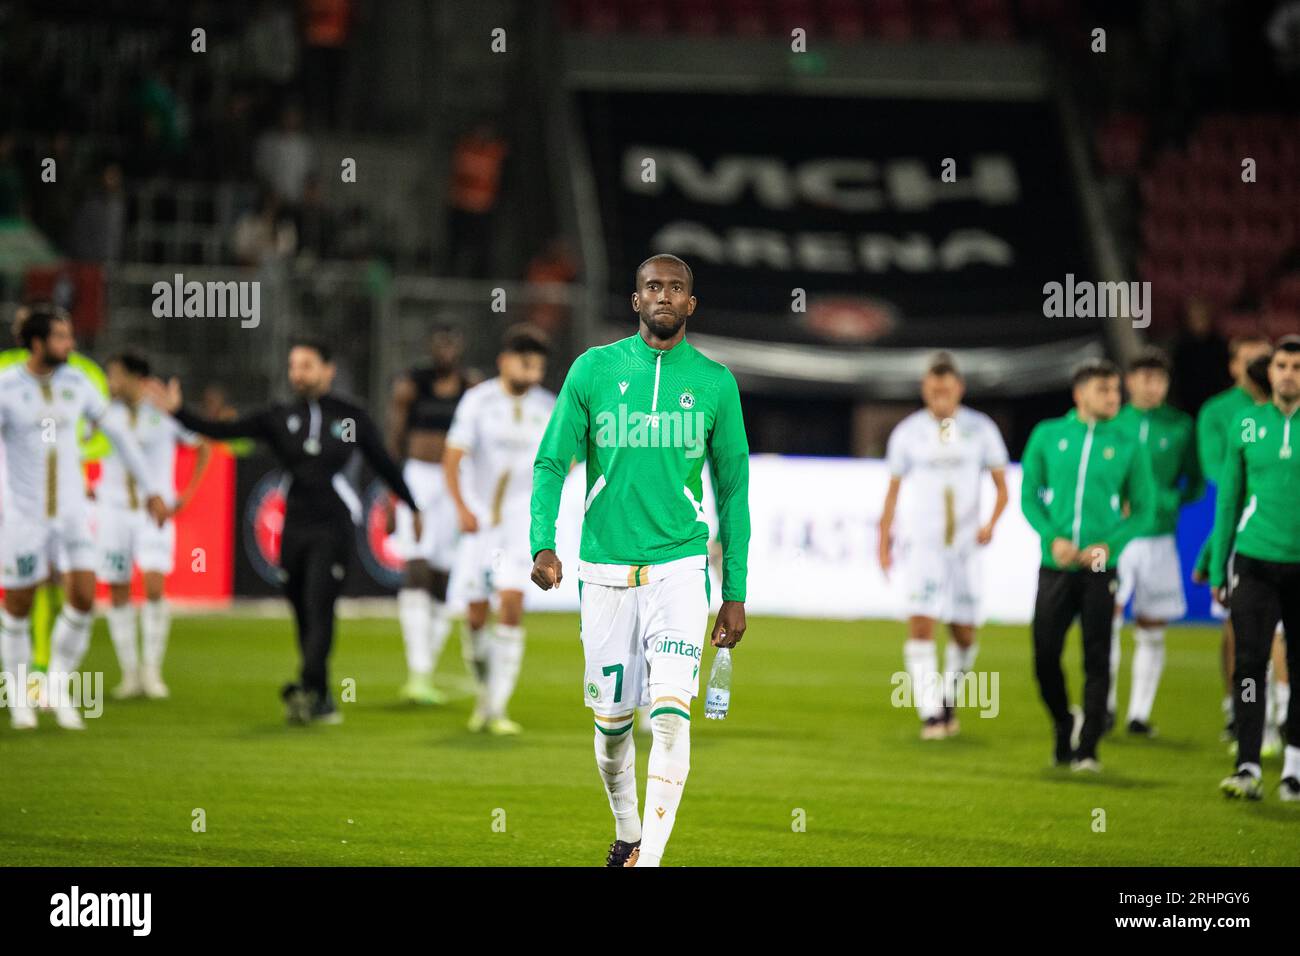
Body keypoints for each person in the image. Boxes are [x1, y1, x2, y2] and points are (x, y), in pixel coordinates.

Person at [530, 254, 751, 867]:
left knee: (673, 718)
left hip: (679, 570)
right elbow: (551, 462)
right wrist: (541, 542)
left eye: (676, 288)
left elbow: (733, 490)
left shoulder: (714, 382)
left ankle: (647, 860)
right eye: (653, 286)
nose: (663, 295)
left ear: (690, 305)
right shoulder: (594, 369)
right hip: (603, 571)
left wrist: (734, 589)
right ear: (635, 301)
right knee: (610, 733)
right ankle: (628, 833)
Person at [146, 339, 420, 724]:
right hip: (293, 529)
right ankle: (321, 697)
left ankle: (306, 684)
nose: (298, 373)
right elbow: (223, 430)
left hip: (334, 526)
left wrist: (413, 504)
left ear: (328, 370)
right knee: (302, 611)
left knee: (319, 604)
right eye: (294, 365)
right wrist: (180, 414)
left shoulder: (349, 417)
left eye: (307, 365)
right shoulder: (278, 416)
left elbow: (384, 463)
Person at [0, 306, 166, 730]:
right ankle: (20, 697)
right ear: (37, 344)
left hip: (72, 512)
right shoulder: (7, 388)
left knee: (85, 598)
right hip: (23, 515)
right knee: (17, 606)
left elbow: (119, 436)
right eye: (61, 338)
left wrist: (151, 490)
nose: (71, 345)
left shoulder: (78, 384)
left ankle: (56, 687)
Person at [1020, 359, 1155, 772]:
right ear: (1080, 395)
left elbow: (1144, 510)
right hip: (1055, 566)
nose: (1114, 397)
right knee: (1044, 656)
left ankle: (1089, 748)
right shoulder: (1048, 435)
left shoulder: (1129, 444)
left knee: (1098, 657)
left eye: (1116, 391)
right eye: (1104, 390)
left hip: (1100, 569)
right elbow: (1029, 496)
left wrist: (1108, 547)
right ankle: (1065, 722)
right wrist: (1052, 537)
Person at [878, 351, 1009, 740]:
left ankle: (948, 700)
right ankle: (930, 713)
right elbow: (892, 493)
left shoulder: (981, 429)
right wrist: (882, 540)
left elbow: (1003, 489)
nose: (939, 399)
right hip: (924, 547)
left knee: (964, 634)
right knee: (920, 623)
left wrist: (990, 524)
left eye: (946, 392)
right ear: (925, 389)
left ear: (959, 390)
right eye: (933, 391)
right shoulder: (907, 433)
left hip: (966, 549)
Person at [443, 325, 554, 734]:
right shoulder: (479, 401)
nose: (531, 368)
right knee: (474, 614)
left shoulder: (549, 406)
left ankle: (497, 707)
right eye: (524, 359)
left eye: (537, 362)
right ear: (504, 362)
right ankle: (483, 695)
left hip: (522, 521)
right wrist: (460, 507)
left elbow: (568, 457)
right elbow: (452, 457)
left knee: (511, 602)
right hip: (479, 519)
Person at [1210, 335, 1300, 801]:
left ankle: (1295, 767)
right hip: (1254, 559)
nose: (1288, 373)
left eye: (1296, 366)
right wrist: (1216, 560)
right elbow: (1228, 499)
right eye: (1282, 365)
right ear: (1270, 372)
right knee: (1249, 666)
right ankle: (1247, 763)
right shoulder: (1245, 425)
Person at [95, 352, 211, 700]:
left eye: (115, 376)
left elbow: (202, 443)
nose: (110, 383)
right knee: (117, 587)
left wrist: (187, 493)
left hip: (154, 514)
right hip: (113, 511)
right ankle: (129, 672)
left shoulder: (163, 413)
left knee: (154, 583)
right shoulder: (101, 413)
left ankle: (152, 670)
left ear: (136, 378)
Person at [1108, 348, 1203, 736]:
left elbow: (1195, 483)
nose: (1151, 386)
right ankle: (1105, 705)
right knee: (1106, 619)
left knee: (1152, 626)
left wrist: (1169, 500)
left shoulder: (1181, 427)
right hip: (1116, 539)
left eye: (1158, 380)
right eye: (1144, 379)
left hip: (1160, 540)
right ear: (1129, 382)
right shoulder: (1112, 422)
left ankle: (1139, 714)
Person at [386, 326, 475, 705]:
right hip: (419, 478)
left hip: (455, 481)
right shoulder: (411, 385)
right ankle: (417, 671)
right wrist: (396, 495)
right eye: (440, 341)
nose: (446, 349)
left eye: (452, 342)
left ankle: (425, 672)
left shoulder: (472, 387)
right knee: (416, 567)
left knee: (442, 577)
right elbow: (395, 437)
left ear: (460, 346)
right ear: (430, 346)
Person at [1195, 334, 1273, 739]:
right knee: (1238, 627)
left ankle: (1278, 716)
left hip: (1285, 537)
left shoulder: (1287, 414)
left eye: (1267, 359)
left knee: (1279, 634)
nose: (1261, 367)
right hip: (1246, 532)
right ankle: (1236, 707)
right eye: (1251, 360)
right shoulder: (1222, 413)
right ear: (1233, 365)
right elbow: (1218, 476)